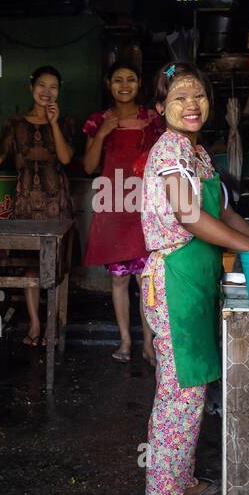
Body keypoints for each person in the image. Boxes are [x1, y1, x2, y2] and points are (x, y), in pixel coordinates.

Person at [139, 62, 249, 495]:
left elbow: (225, 211)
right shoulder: (169, 152)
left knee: (193, 386)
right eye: (179, 97)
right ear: (161, 108)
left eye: (198, 96)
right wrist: (246, 246)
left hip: (195, 281)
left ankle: (180, 477)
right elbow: (192, 217)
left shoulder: (198, 154)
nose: (191, 104)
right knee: (180, 392)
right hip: (175, 279)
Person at [0, 66, 76, 346]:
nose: (47, 92)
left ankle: (52, 324)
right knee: (29, 265)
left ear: (59, 91)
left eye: (53, 87)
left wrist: (54, 123)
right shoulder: (14, 124)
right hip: (25, 203)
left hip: (55, 202)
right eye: (42, 85)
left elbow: (66, 158)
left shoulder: (66, 122)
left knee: (56, 265)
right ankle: (35, 323)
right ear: (31, 87)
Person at [82, 59, 163, 365]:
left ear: (139, 83)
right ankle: (126, 341)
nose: (124, 85)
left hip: (144, 205)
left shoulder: (152, 118)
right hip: (113, 204)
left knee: (146, 280)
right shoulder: (97, 120)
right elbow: (89, 166)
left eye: (130, 79)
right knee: (118, 281)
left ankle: (149, 344)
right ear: (109, 84)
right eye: (118, 79)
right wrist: (102, 134)